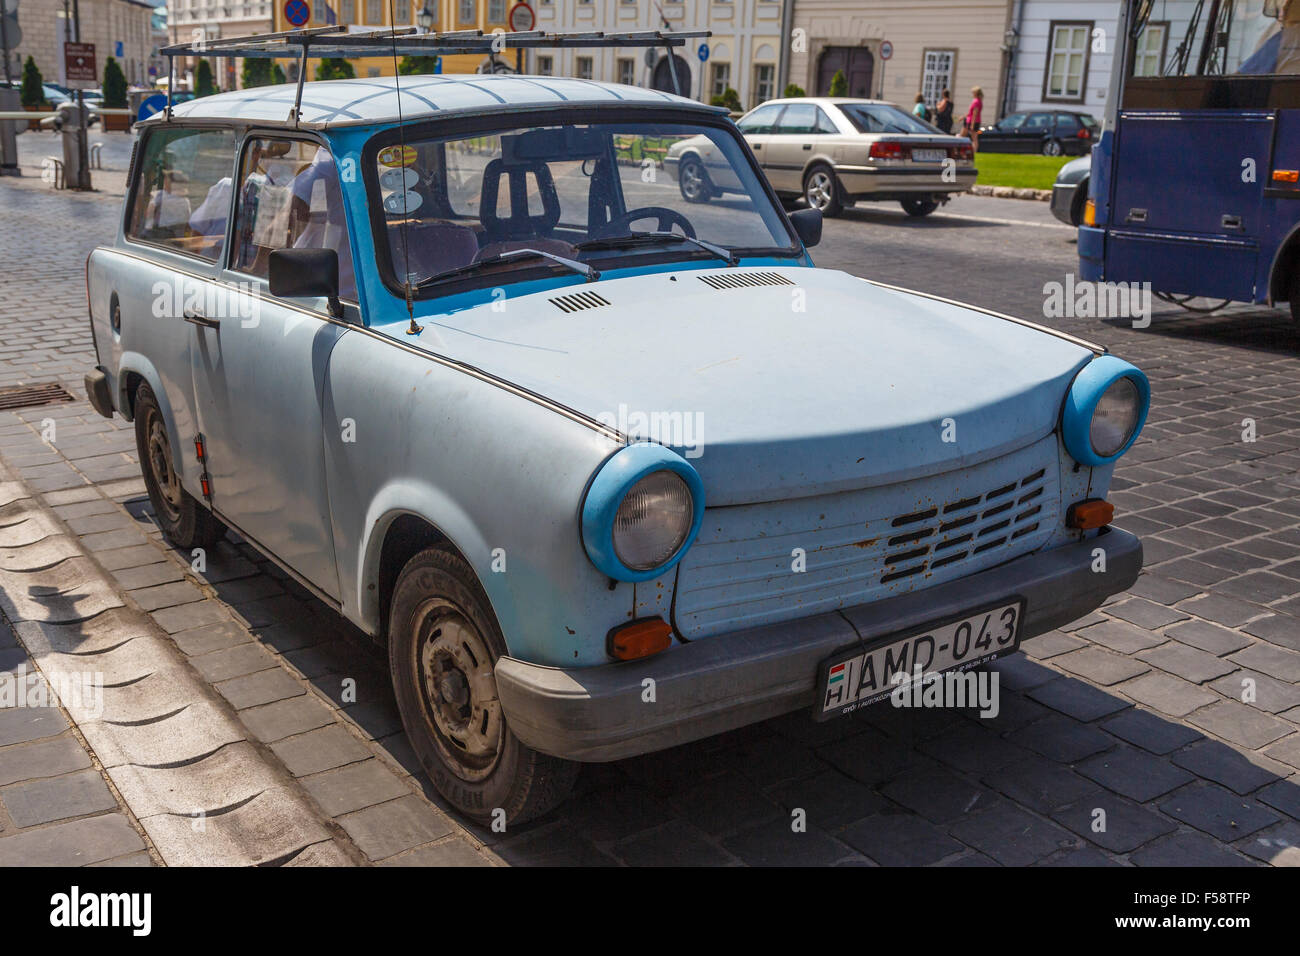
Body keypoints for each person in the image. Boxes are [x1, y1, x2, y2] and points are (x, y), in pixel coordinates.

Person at [964, 86, 984, 151]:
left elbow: (974, 114)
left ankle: (974, 151)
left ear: (976, 93)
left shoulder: (976, 101)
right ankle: (973, 151)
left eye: (973, 92)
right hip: (974, 121)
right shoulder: (978, 101)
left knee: (974, 138)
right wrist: (963, 117)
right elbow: (971, 112)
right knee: (974, 138)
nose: (972, 94)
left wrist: (972, 125)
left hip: (973, 121)